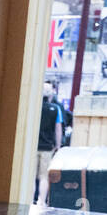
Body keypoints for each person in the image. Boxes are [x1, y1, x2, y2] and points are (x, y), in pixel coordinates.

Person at [35, 77, 64, 206]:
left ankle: (28, 200)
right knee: (44, 176)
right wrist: (58, 145)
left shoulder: (34, 108)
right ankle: (41, 201)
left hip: (33, 147)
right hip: (47, 147)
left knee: (30, 177)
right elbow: (58, 129)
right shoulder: (55, 109)